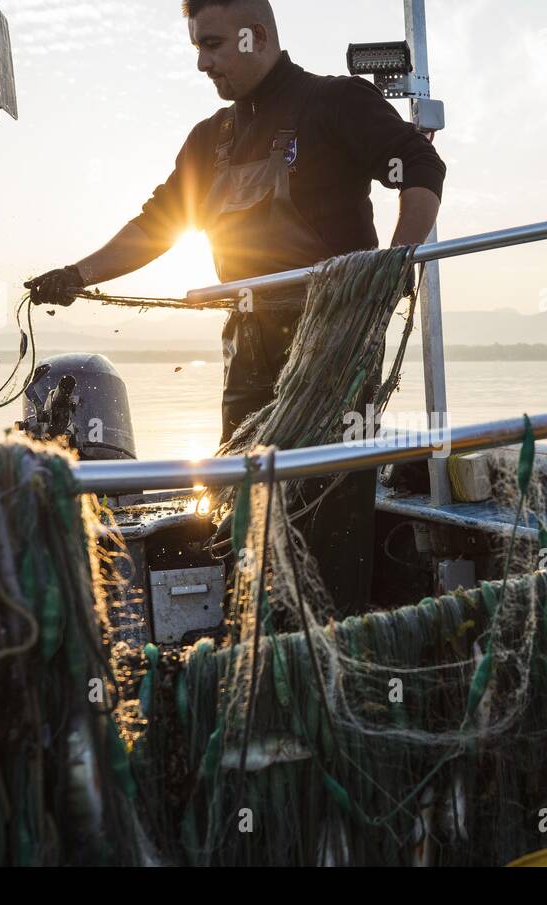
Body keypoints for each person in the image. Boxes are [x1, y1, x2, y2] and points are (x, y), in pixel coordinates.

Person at [25, 0, 446, 617]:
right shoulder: (209, 141)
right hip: (247, 343)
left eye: (214, 44)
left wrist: (393, 265)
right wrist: (76, 275)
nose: (203, 62)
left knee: (326, 507)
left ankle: (331, 647)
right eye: (198, 46)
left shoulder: (336, 103)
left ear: (259, 36)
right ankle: (261, 642)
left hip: (332, 344)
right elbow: (157, 226)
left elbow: (421, 165)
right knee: (244, 498)